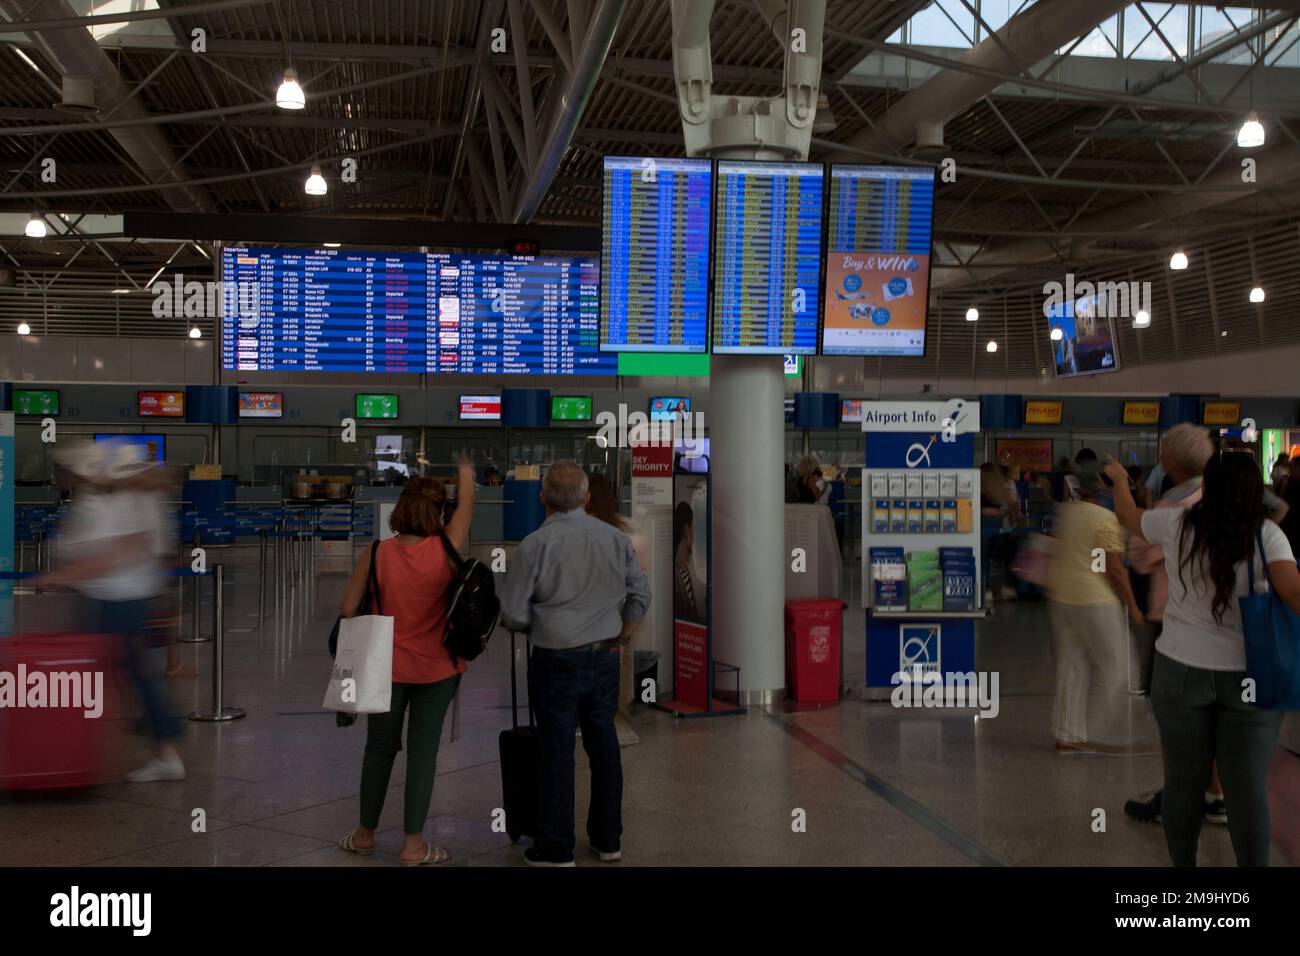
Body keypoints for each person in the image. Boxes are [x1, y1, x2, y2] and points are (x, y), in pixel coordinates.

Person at [1106, 452, 1300, 866]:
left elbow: (1126, 515)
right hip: (1250, 676)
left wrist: (1120, 480)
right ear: (1255, 492)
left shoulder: (1176, 523)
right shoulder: (1267, 536)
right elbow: (1293, 594)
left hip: (1179, 669)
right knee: (1245, 788)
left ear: (1207, 487)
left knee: (1182, 781)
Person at [498, 461, 650, 866]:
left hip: (554, 660)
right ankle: (608, 839)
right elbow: (640, 595)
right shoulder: (616, 540)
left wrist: (539, 621)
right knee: (604, 746)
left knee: (556, 749)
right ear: (586, 499)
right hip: (604, 658)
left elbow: (512, 614)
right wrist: (623, 636)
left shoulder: (534, 545)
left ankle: (556, 846)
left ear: (542, 497)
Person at [337, 460, 475, 866]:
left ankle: (365, 834)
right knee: (423, 754)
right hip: (438, 669)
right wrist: (465, 470)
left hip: (386, 668)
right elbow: (467, 505)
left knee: (378, 750)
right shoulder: (447, 549)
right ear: (438, 512)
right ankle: (414, 844)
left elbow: (347, 608)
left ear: (401, 507)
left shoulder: (377, 552)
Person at [39, 441, 185, 783]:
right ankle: (161, 746)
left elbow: (120, 553)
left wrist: (64, 575)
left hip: (114, 600)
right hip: (117, 597)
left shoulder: (116, 502)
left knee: (107, 675)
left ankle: (160, 748)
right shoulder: (121, 499)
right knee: (128, 674)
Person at [1121, 425, 1218, 823]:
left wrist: (1127, 494)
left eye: (1164, 450)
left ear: (1172, 460)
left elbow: (1140, 557)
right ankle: (1215, 795)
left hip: (1171, 623)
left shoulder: (1169, 510)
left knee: (1173, 718)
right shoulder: (1222, 500)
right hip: (1217, 625)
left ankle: (1177, 801)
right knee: (1209, 714)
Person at [1047, 460, 1145, 755]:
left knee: (1072, 668)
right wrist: (1133, 606)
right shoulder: (1106, 519)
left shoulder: (1066, 513)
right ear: (1104, 489)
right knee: (1119, 667)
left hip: (1062, 598)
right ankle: (1098, 732)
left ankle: (1068, 735)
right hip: (1095, 601)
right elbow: (1112, 569)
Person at [585, 473, 646, 748]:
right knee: (619, 673)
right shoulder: (628, 528)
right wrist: (626, 630)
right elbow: (641, 583)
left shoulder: (582, 532)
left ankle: (584, 722)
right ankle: (619, 724)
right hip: (621, 615)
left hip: (587, 619)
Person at [673, 500, 704, 624]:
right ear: (686, 531)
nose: (694, 537)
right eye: (693, 530)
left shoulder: (685, 570)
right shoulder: (675, 577)